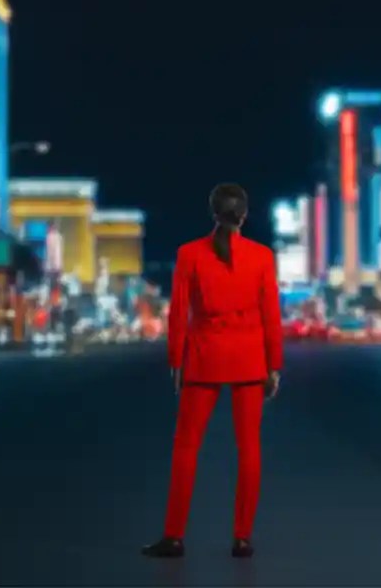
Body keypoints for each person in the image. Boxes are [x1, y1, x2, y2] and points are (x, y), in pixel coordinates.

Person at [142, 183, 283, 560]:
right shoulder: (262, 256)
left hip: (204, 358)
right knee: (249, 448)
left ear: (213, 212)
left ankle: (173, 537)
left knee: (186, 447)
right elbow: (271, 316)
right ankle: (242, 538)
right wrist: (274, 365)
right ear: (244, 215)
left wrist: (176, 360)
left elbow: (178, 315)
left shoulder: (189, 254)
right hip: (250, 360)